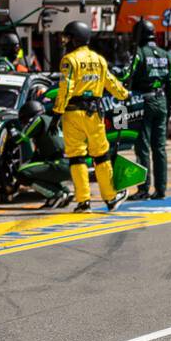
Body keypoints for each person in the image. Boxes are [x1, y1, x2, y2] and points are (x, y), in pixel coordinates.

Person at [53, 20, 130, 213]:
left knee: (76, 158)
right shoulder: (99, 60)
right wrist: (125, 95)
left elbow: (66, 88)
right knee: (101, 156)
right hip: (94, 114)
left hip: (71, 114)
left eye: (68, 37)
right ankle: (111, 197)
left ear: (76, 39)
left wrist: (57, 112)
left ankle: (83, 202)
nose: (65, 41)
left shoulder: (69, 60)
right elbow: (111, 82)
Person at [125, 20, 171, 200]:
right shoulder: (166, 55)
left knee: (143, 148)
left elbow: (127, 75)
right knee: (160, 148)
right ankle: (161, 189)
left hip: (144, 102)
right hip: (162, 101)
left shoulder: (138, 53)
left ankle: (143, 189)